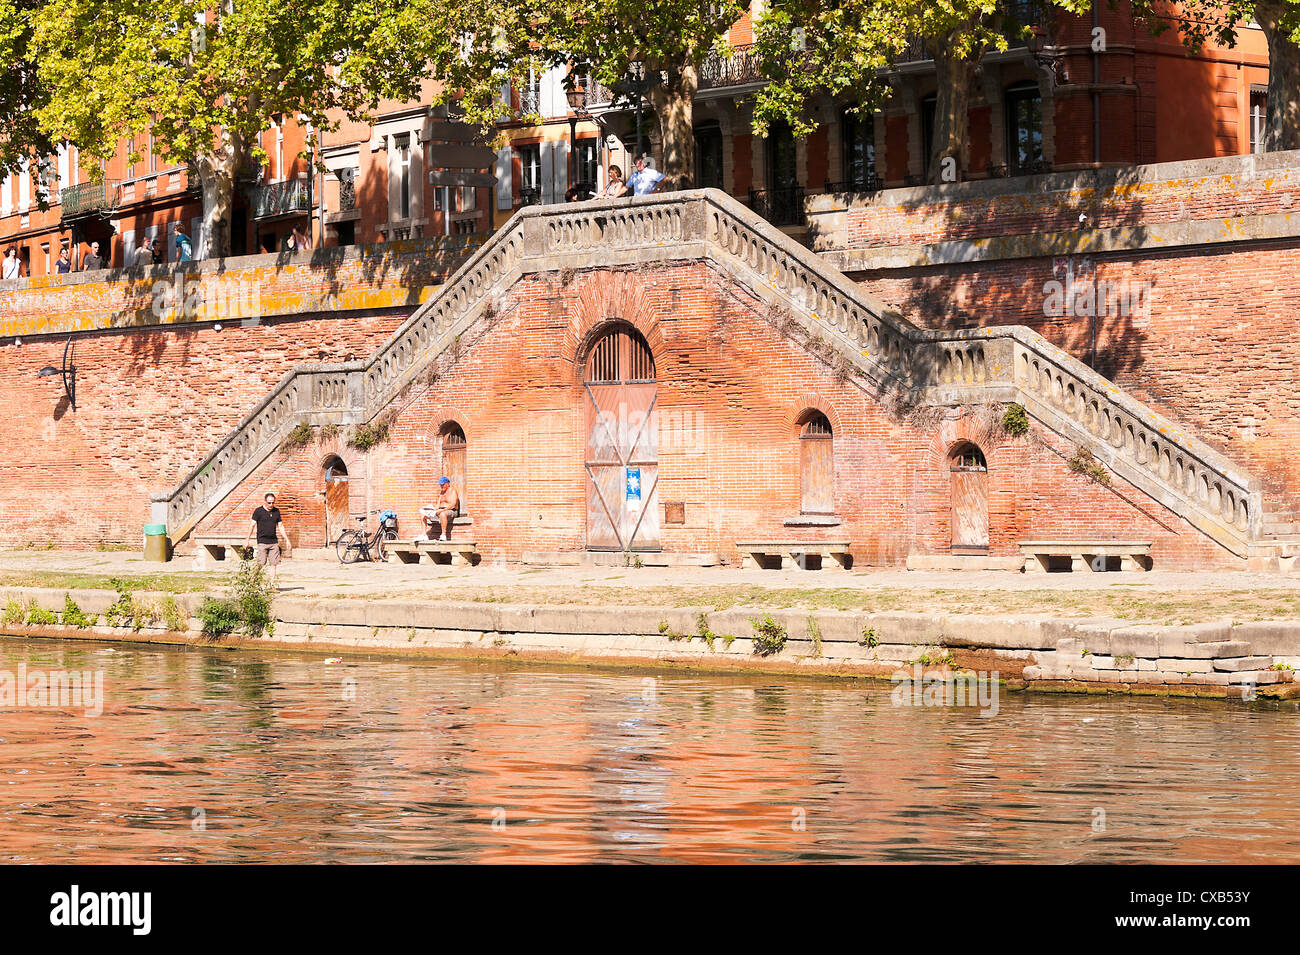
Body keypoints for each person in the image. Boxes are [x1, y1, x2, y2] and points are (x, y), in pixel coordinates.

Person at [244, 491, 291, 581]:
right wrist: (247, 540)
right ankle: (253, 580)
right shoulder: (258, 511)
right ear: (265, 501)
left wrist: (287, 540)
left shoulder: (276, 511)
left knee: (274, 564)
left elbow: (280, 526)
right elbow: (252, 525)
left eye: (273, 502)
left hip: (273, 542)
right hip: (262, 541)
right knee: (261, 563)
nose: (271, 504)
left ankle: (271, 585)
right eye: (269, 502)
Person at [421, 477, 460, 541]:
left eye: (443, 484)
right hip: (440, 510)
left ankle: (443, 535)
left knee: (442, 514)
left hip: (451, 511)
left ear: (447, 484)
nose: (441, 486)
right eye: (440, 484)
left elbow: (453, 505)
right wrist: (431, 510)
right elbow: (438, 505)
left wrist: (442, 510)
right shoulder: (442, 492)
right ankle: (424, 535)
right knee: (423, 514)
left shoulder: (452, 491)